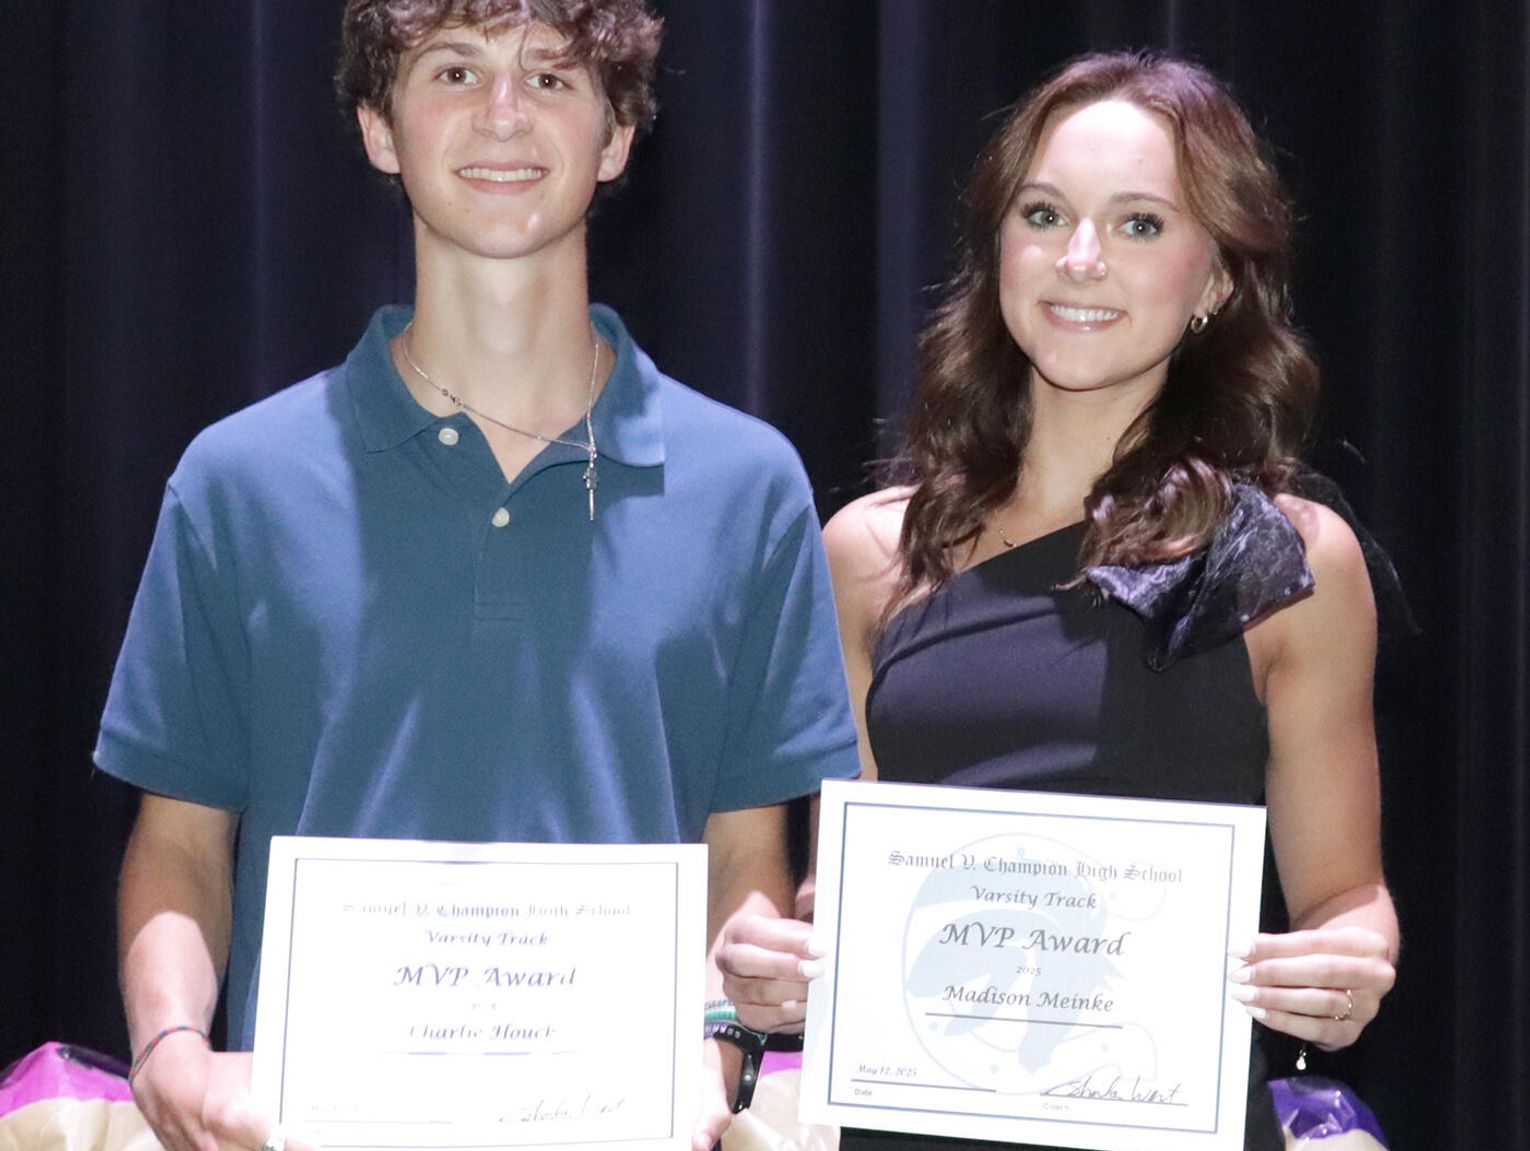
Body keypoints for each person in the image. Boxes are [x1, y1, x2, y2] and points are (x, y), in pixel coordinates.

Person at [96, 3, 860, 1150]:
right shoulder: (237, 479)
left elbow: (745, 854)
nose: (503, 113)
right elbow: (181, 840)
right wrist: (171, 1056)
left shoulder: (749, 486)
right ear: (376, 126)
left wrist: (714, 1047)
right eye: (454, 70)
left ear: (616, 138)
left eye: (551, 77)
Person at [717, 52, 1399, 1151]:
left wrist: (1344, 968)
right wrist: (775, 966)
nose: (1081, 259)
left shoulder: (1292, 563)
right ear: (998, 248)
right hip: (911, 1120)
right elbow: (836, 902)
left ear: (1216, 276)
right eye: (1045, 214)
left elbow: (1348, 901)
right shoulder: (868, 552)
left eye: (1139, 224)